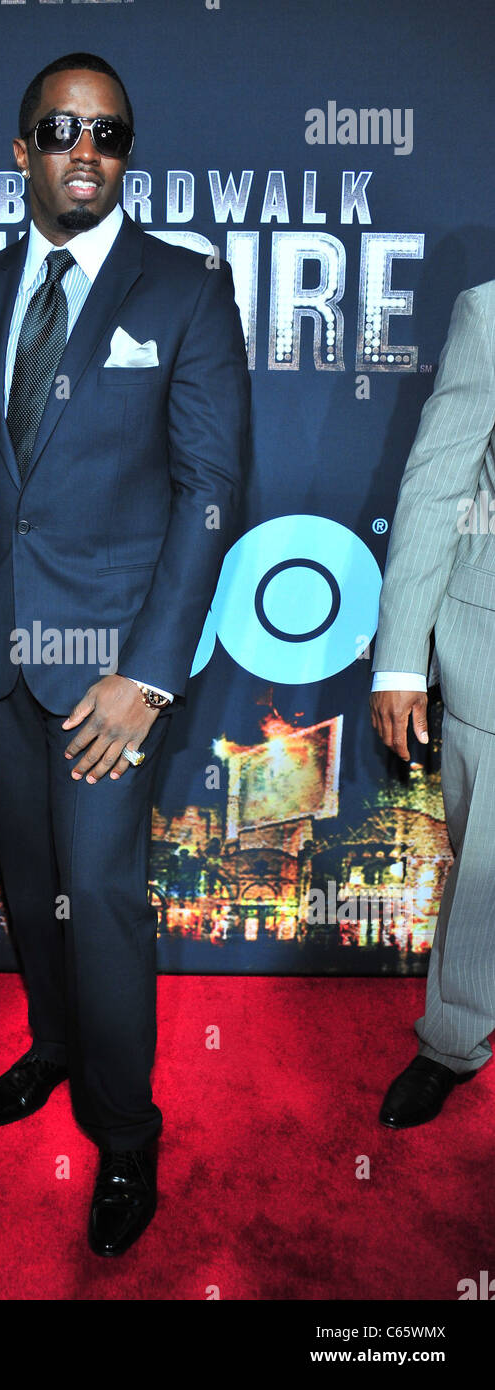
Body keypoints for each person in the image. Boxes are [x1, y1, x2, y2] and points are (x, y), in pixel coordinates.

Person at [0, 52, 249, 1255]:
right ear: (22, 152)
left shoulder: (186, 291)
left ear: (124, 154)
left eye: (107, 134)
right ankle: (53, 1046)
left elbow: (212, 493)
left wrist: (147, 675)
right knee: (26, 872)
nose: (84, 152)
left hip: (115, 672)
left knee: (101, 895)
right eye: (60, 131)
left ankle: (124, 1133)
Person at [371, 279, 495, 1129]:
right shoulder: (491, 315)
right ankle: (452, 1039)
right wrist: (399, 661)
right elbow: (439, 485)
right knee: (485, 864)